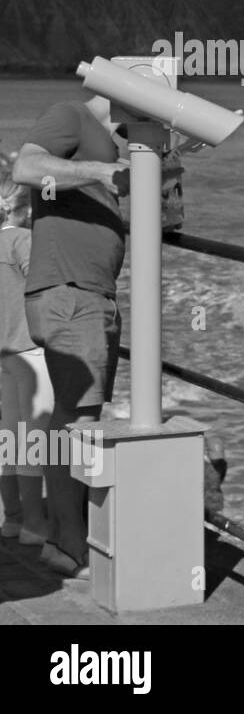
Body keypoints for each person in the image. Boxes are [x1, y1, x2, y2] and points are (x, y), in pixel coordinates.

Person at [10, 94, 129, 578]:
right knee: (75, 423)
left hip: (88, 294)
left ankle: (64, 538)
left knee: (76, 417)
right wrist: (102, 173)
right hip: (70, 293)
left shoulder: (112, 140)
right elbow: (27, 166)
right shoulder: (70, 116)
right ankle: (69, 545)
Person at [0, 175, 54, 547]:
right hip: (31, 351)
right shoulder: (24, 241)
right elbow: (40, 291)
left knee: (10, 437)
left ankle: (12, 519)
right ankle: (35, 525)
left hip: (3, 354)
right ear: (30, 209)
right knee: (33, 441)